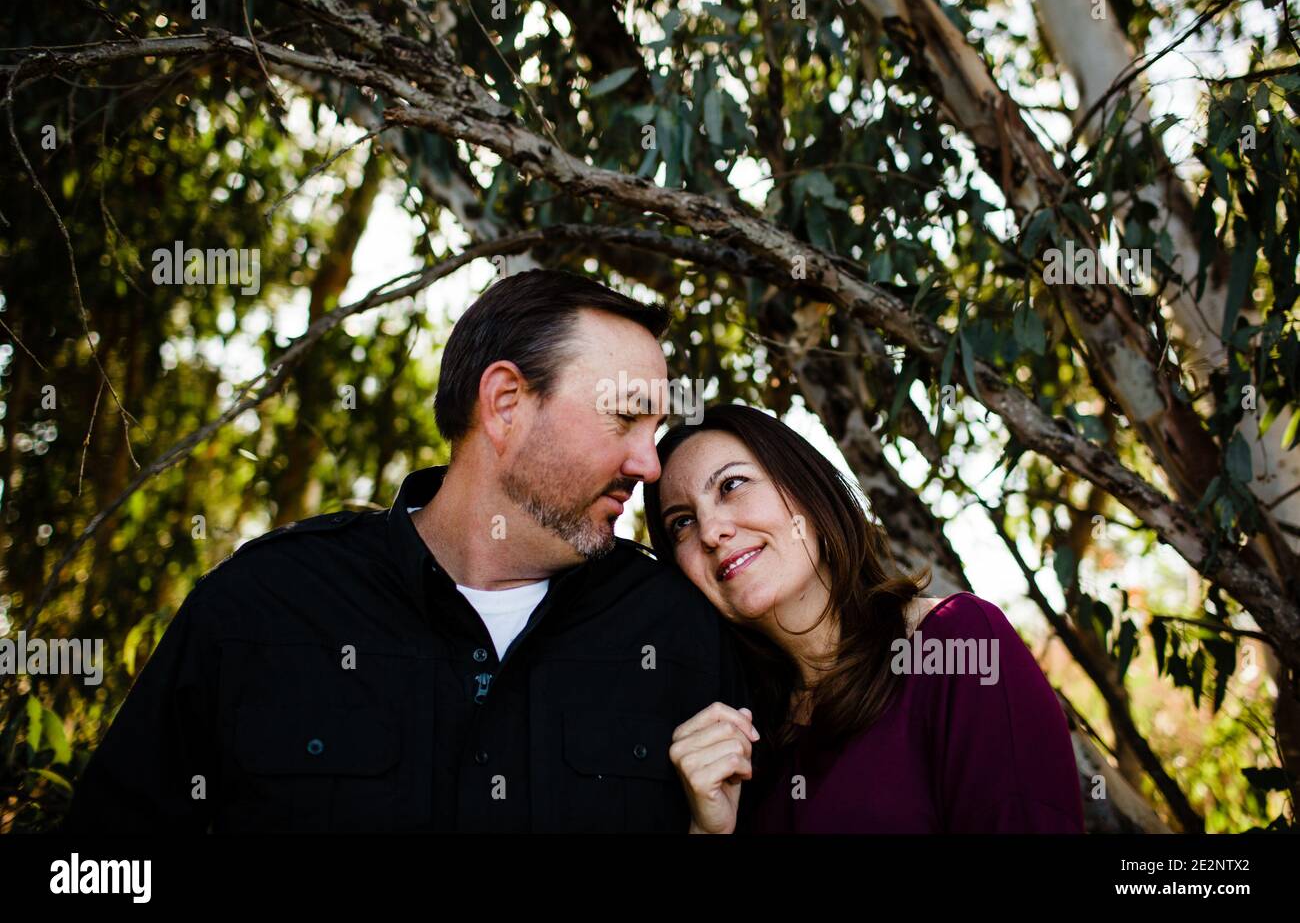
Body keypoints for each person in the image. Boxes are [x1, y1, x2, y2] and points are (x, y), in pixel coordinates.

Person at [64, 269, 750, 832]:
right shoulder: (264, 605)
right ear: (506, 402)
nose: (649, 465)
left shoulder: (678, 633)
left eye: (654, 428)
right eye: (626, 417)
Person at [644, 404, 1084, 833]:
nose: (709, 530)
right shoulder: (737, 737)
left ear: (807, 491)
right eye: (681, 522)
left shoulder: (956, 646)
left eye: (732, 485)